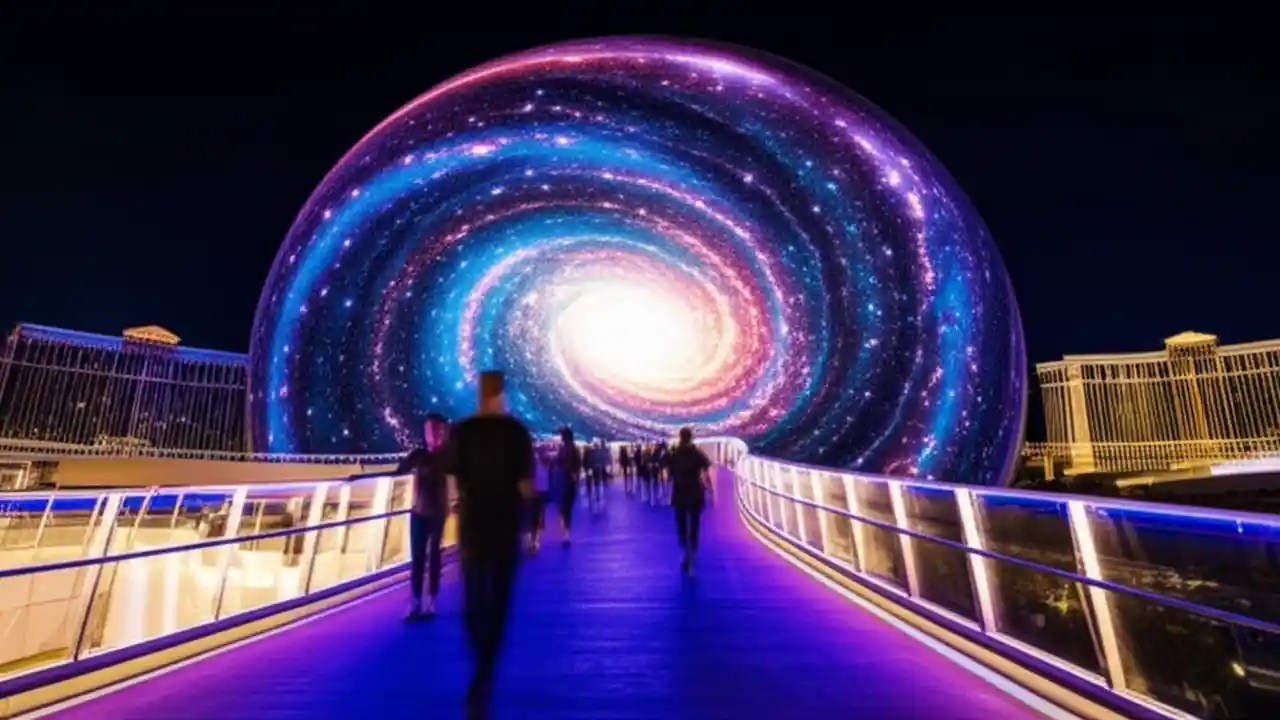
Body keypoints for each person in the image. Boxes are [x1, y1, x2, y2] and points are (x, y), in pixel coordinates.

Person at [444, 371, 534, 718]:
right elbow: (526, 487)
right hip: (505, 528)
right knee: (499, 605)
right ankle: (485, 672)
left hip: (473, 529)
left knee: (472, 605)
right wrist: (530, 531)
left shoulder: (463, 431)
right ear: (504, 393)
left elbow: (454, 482)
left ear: (479, 394)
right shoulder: (517, 432)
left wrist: (456, 517)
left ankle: (480, 668)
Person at [397, 413, 452, 619]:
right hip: (419, 513)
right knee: (418, 557)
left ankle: (431, 600)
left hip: (437, 512)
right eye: (429, 430)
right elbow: (401, 468)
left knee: (435, 556)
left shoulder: (446, 455)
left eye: (436, 430)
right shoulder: (419, 454)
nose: (432, 434)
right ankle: (416, 601)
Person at [667, 427, 712, 576]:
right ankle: (692, 553)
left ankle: (686, 551)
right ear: (691, 437)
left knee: (681, 525)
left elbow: (668, 471)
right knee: (694, 524)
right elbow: (706, 469)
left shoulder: (674, 453)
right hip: (695, 492)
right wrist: (710, 487)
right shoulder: (696, 453)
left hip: (679, 492)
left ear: (680, 436)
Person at [554, 427, 581, 544]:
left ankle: (566, 534)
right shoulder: (572, 448)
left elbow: (559, 462)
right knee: (566, 508)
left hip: (564, 480)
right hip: (568, 480)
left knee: (564, 508)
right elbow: (577, 464)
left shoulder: (565, 449)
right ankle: (566, 534)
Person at [527, 443, 552, 552]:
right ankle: (533, 540)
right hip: (537, 491)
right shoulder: (537, 463)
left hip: (539, 492)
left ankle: (533, 540)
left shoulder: (544, 463)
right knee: (536, 516)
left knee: (536, 515)